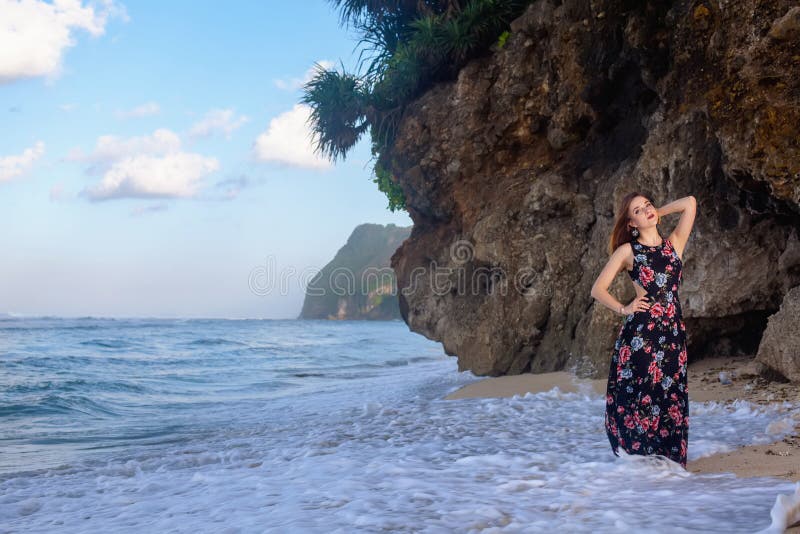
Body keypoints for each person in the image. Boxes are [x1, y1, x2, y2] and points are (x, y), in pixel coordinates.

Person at [590, 192, 697, 467]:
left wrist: (657, 210)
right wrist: (624, 309)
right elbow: (598, 289)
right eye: (638, 210)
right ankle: (642, 467)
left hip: (673, 336)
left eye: (647, 205)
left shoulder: (674, 244)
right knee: (644, 398)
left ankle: (669, 466)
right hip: (642, 337)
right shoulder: (628, 252)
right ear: (631, 224)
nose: (646, 210)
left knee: (671, 397)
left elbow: (690, 203)